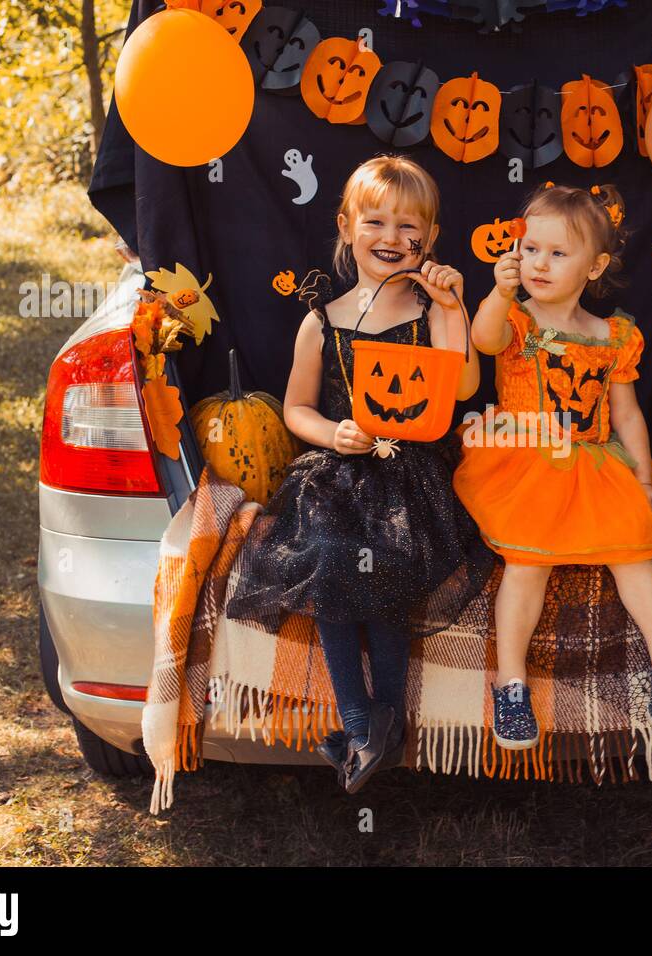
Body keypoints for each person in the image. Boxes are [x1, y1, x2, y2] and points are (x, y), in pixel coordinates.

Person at [225, 155, 494, 792]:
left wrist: (453, 310)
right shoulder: (321, 322)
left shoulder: (433, 313)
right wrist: (333, 432)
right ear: (347, 227)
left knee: (391, 576)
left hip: (411, 473)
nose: (393, 238)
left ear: (429, 238)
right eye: (376, 221)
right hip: (337, 474)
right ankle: (366, 722)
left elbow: (463, 386)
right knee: (331, 560)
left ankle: (373, 730)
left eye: (411, 228)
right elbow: (295, 410)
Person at [452, 182, 652, 750]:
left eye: (559, 254)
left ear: (595, 266)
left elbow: (628, 417)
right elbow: (482, 341)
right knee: (526, 565)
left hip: (591, 462)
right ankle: (511, 686)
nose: (540, 263)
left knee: (633, 553)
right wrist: (496, 292)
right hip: (523, 458)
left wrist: (640, 481)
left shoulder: (613, 337)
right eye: (531, 249)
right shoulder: (515, 321)